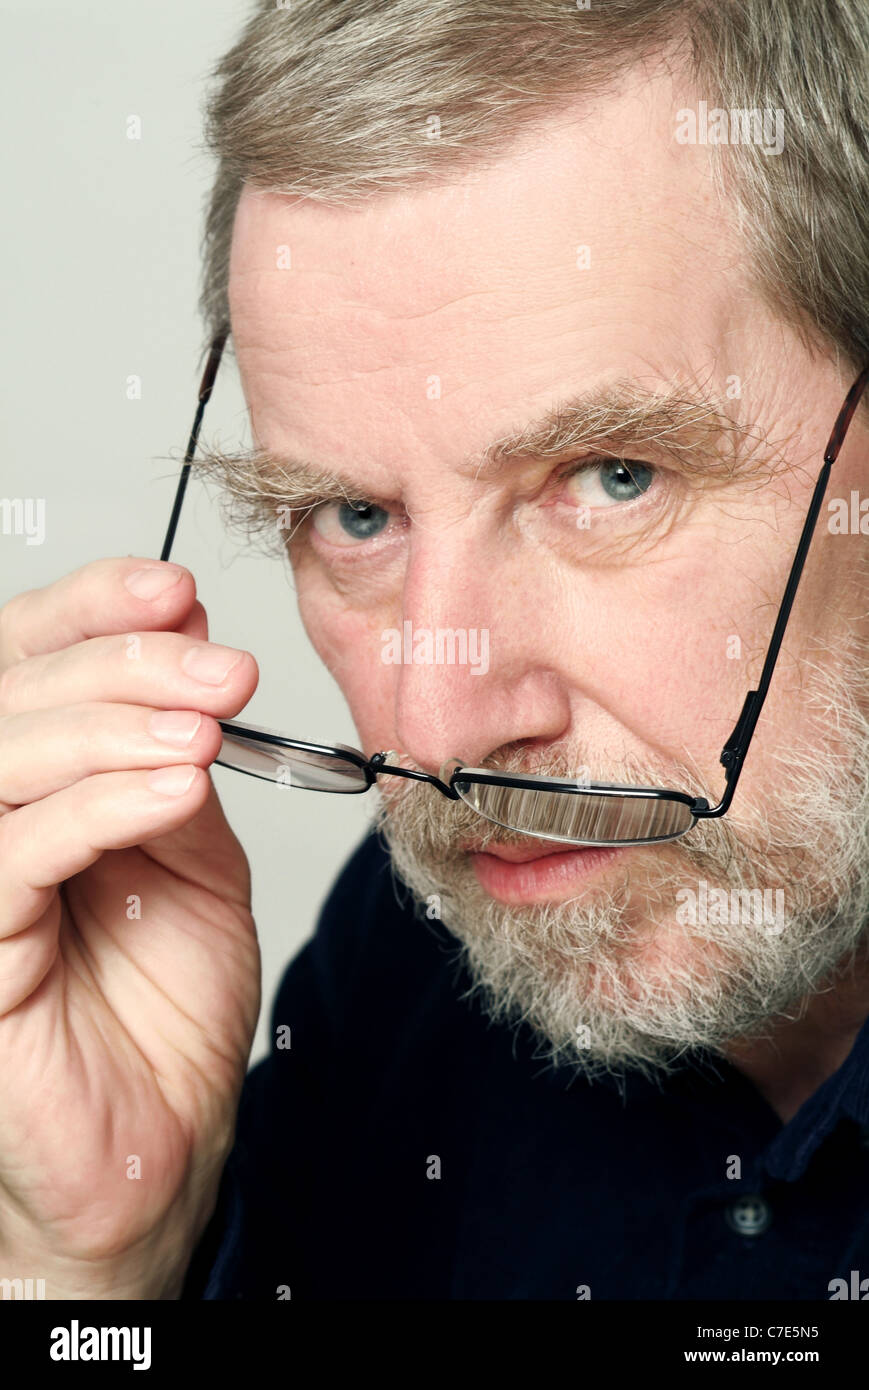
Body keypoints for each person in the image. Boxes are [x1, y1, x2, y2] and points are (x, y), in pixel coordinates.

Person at [1, 0, 867, 1301]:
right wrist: (91, 1267)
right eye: (353, 516)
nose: (439, 726)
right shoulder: (408, 968)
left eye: (613, 475)